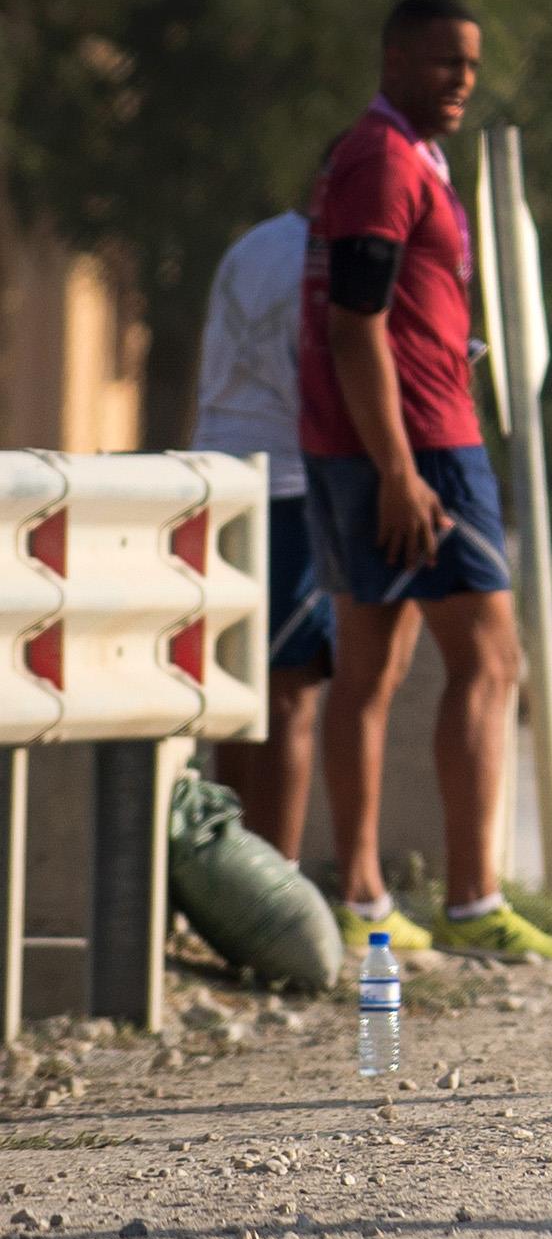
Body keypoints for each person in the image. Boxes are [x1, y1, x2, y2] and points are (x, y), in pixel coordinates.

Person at [297, 0, 552, 962]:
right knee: (490, 659)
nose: (462, 79)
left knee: (371, 667)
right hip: (416, 451)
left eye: (470, 63)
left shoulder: (404, 155)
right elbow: (352, 324)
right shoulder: (383, 157)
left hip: (388, 440)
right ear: (393, 59)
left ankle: (365, 897)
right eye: (442, 61)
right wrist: (398, 471)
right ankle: (472, 902)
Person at [191, 196, 328, 862]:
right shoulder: (328, 257)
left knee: (237, 698)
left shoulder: (252, 245)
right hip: (289, 485)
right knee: (287, 697)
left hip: (217, 478)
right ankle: (275, 881)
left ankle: (230, 878)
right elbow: (330, 374)